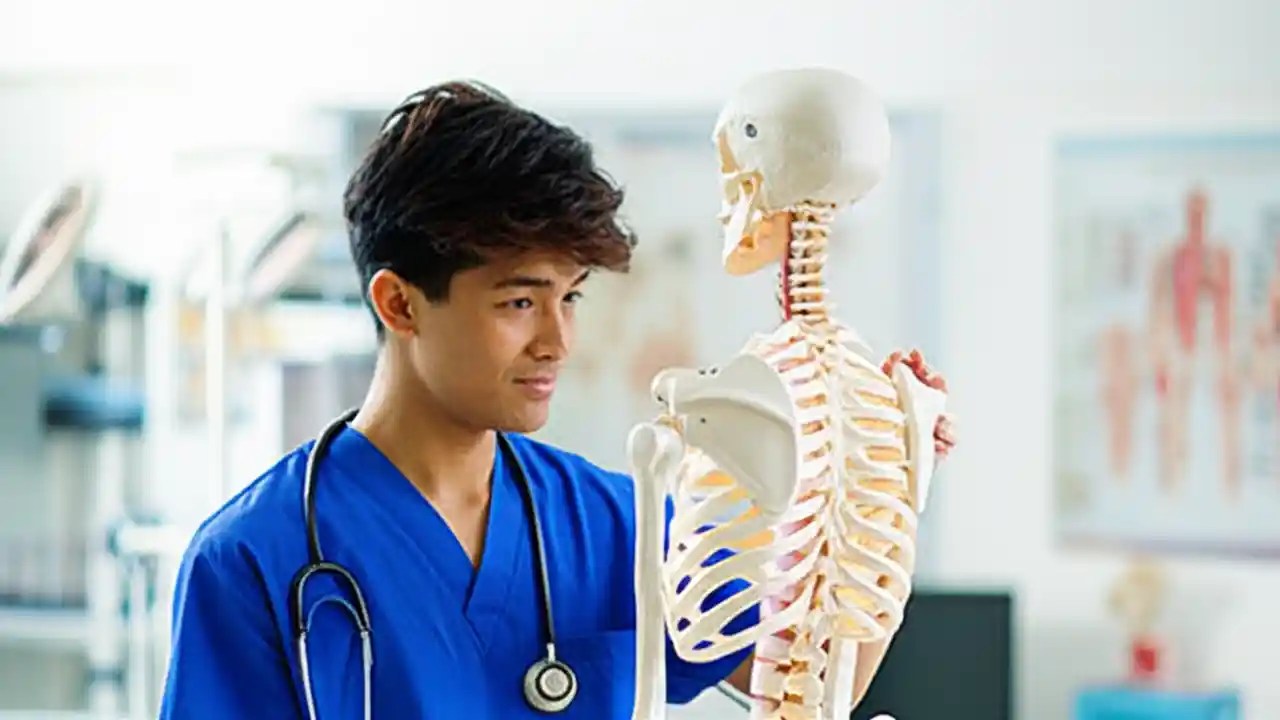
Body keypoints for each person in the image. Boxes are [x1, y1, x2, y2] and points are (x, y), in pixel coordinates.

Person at [157, 81, 758, 719]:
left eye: (570, 298)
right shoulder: (252, 558)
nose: (557, 341)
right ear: (400, 303)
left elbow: (804, 668)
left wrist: (865, 495)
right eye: (520, 303)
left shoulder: (612, 526)